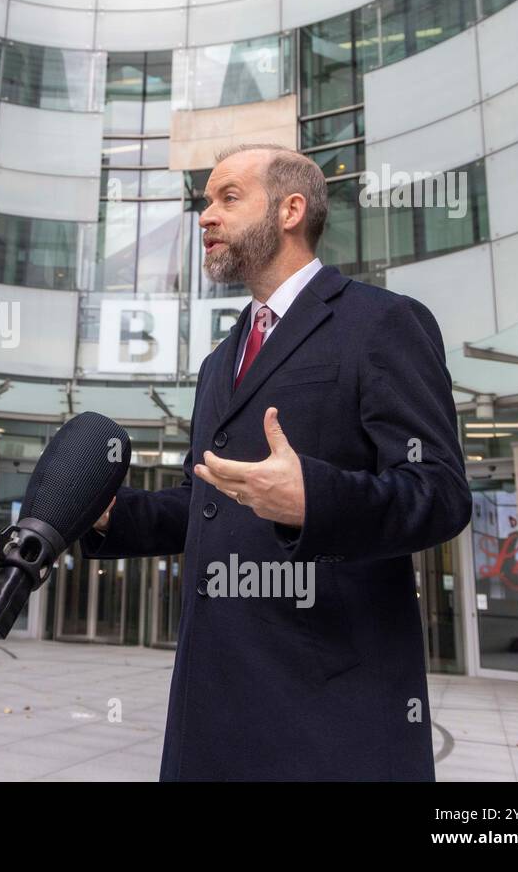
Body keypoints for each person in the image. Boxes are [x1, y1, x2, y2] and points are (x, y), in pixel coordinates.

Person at [86, 144, 471, 781]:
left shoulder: (382, 323)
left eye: (227, 197)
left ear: (291, 209)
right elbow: (205, 498)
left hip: (328, 715)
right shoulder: (220, 361)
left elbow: (439, 492)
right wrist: (108, 516)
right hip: (209, 709)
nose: (205, 215)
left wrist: (313, 500)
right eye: (205, 201)